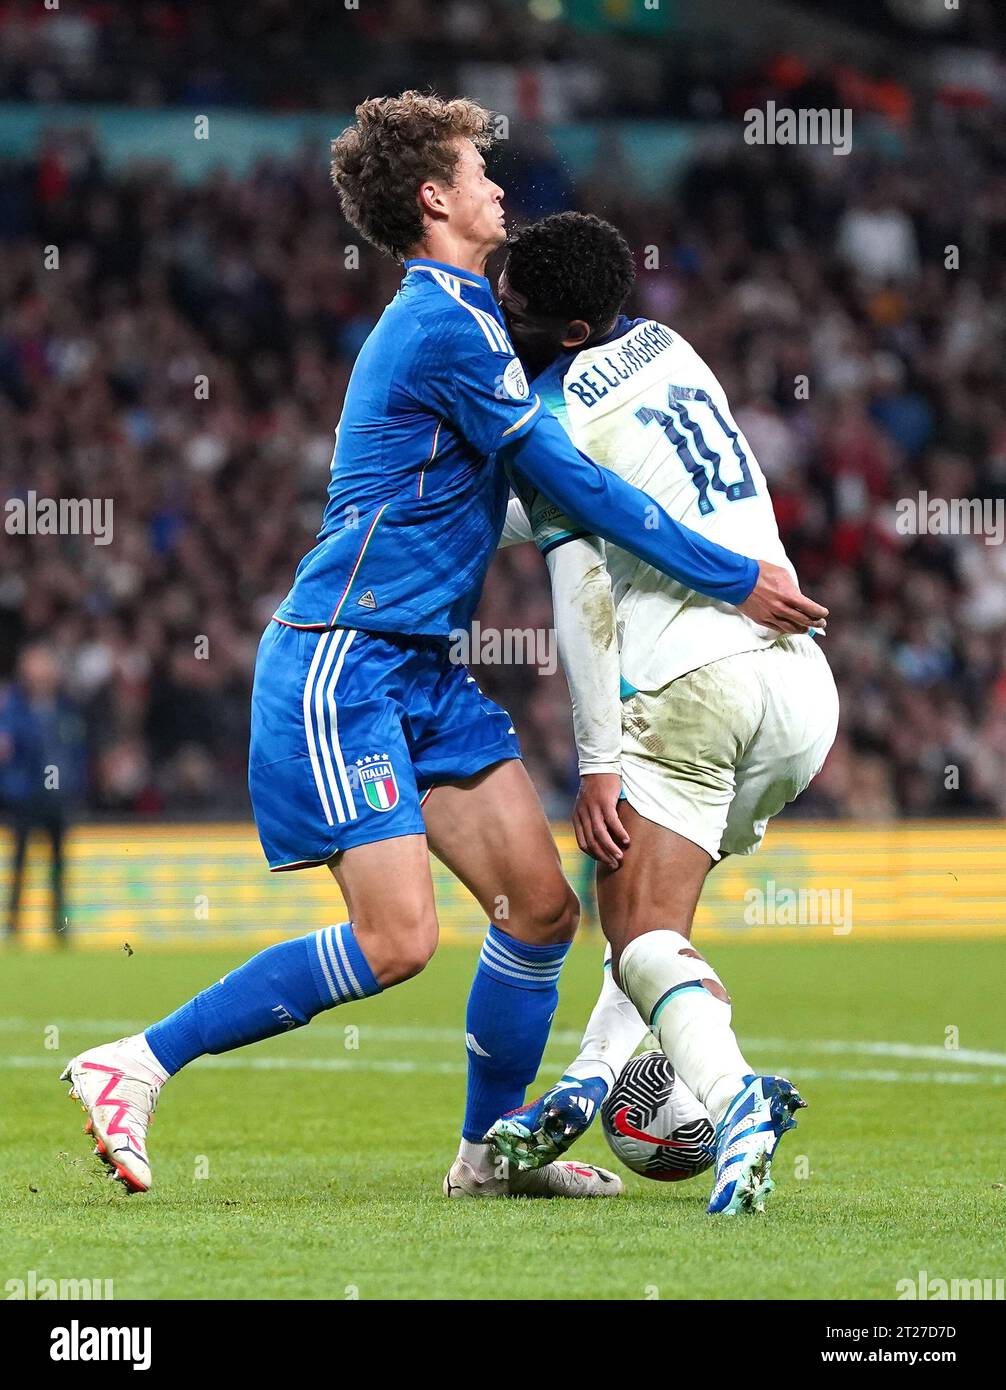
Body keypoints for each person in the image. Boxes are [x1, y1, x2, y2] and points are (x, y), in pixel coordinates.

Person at [60, 95, 826, 1200]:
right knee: (397, 940)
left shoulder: (471, 318)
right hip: (345, 659)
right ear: (434, 197)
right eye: (478, 172)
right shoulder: (443, 323)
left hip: (422, 669)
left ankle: (485, 1160)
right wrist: (731, 573)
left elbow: (537, 494)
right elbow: (568, 484)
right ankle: (134, 1062)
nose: (498, 190)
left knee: (541, 910)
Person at [488, 212, 839, 1214]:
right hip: (800, 690)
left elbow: (582, 595)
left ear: (565, 330)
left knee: (631, 920)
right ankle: (586, 1085)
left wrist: (598, 758)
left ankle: (735, 1102)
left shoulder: (551, 418)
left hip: (691, 683)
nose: (498, 317)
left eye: (515, 309)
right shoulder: (672, 349)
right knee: (653, 931)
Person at [0, 643, 86, 941]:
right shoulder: (15, 708)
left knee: (58, 864)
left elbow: (76, 749)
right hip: (27, 796)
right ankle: (13, 925)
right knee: (20, 861)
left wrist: (75, 784)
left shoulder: (64, 708)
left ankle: (59, 925)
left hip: (57, 797)